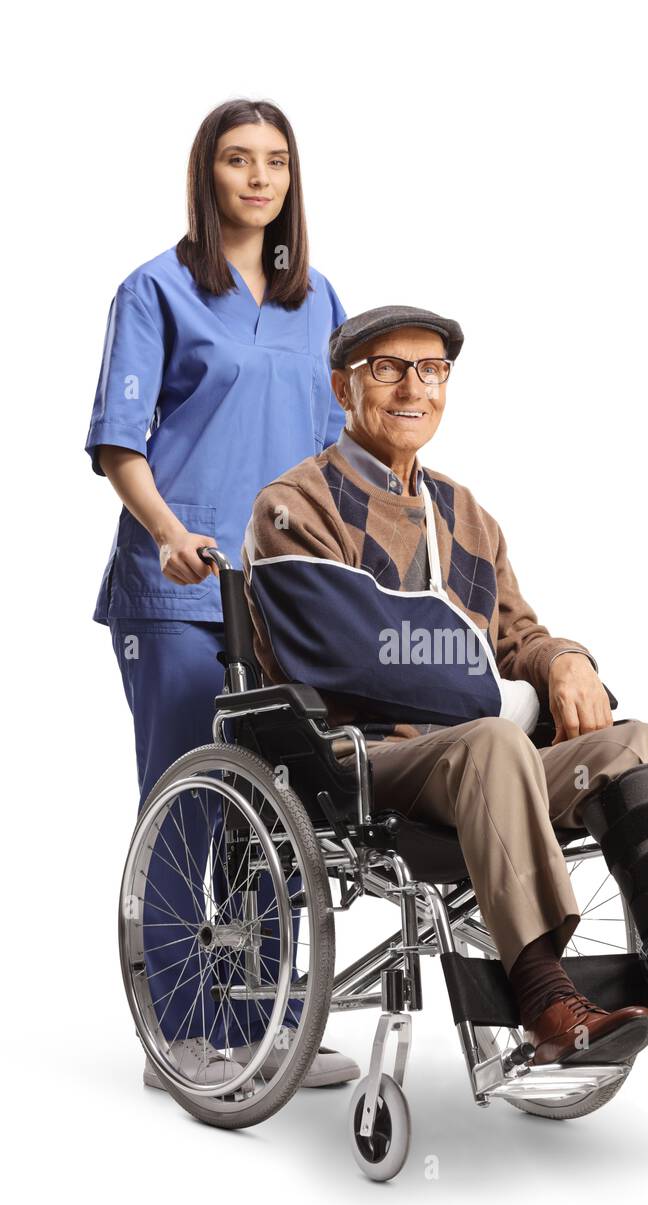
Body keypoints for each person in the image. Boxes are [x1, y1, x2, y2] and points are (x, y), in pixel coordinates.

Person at [240, 305, 648, 1070]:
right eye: (387, 369)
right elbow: (350, 653)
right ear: (342, 386)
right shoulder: (292, 505)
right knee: (494, 738)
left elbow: (516, 633)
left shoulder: (467, 515)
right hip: (363, 761)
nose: (411, 387)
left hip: (487, 765)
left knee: (639, 745)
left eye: (432, 370)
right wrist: (497, 694)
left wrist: (561, 663)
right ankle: (544, 996)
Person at [85, 98, 360, 1090]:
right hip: (184, 590)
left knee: (278, 812)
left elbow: (343, 449)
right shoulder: (156, 289)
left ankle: (262, 1017)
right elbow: (120, 443)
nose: (257, 178)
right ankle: (181, 1028)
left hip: (288, 599)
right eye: (237, 161)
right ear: (206, 176)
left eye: (274, 162)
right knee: (190, 803)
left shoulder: (315, 296)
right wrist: (167, 535)